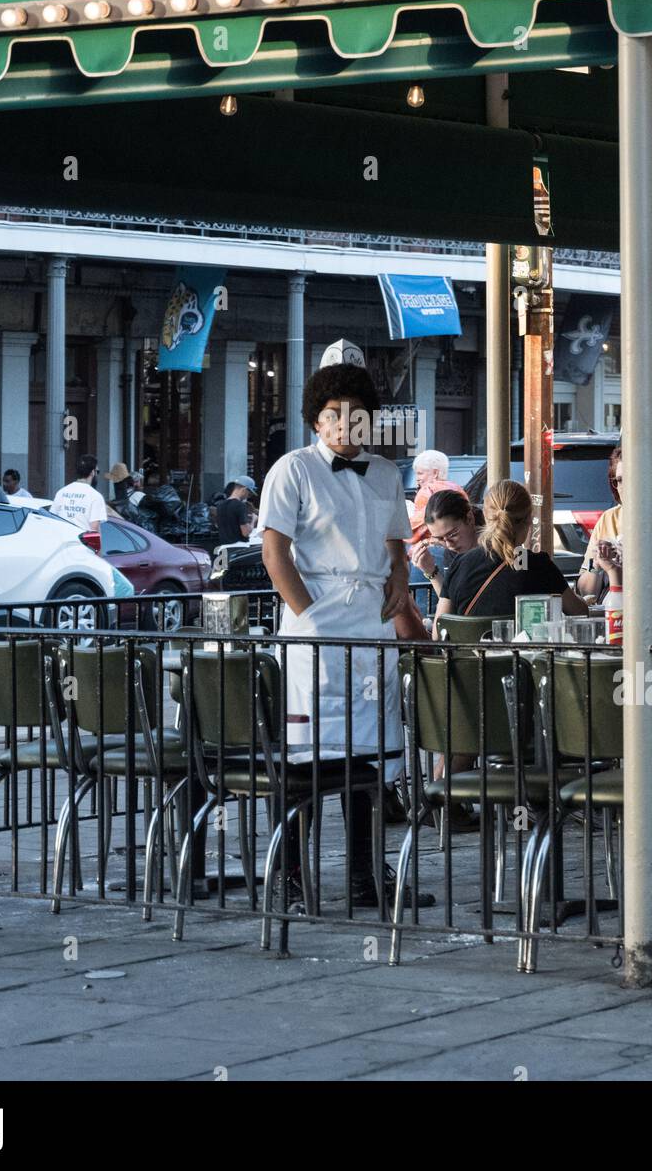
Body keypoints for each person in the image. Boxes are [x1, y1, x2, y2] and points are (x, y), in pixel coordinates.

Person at [258, 360, 431, 910]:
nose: (345, 424)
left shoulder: (384, 472)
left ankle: (364, 874)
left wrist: (400, 583)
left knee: (368, 759)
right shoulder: (293, 470)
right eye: (334, 414)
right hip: (315, 627)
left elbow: (396, 544)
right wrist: (306, 614)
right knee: (303, 761)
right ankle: (288, 875)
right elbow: (274, 552)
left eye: (356, 415)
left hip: (371, 628)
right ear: (316, 420)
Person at [434, 480, 587, 632]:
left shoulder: (460, 564)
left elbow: (438, 631)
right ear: (529, 520)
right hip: (524, 656)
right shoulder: (539, 565)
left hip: (468, 656)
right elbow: (580, 612)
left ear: (487, 518)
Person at [576, 446, 652, 600]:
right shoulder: (609, 518)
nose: (626, 487)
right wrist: (596, 564)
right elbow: (586, 593)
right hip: (614, 610)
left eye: (634, 479)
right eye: (620, 480)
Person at [410, 488, 480, 603]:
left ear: (469, 518)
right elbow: (450, 604)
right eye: (440, 539)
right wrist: (430, 571)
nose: (448, 544)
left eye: (452, 534)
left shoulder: (495, 546)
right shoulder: (452, 553)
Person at [409, 450, 466, 542]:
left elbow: (411, 531)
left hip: (436, 547)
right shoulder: (458, 489)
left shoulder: (427, 491)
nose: (417, 479)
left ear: (435, 473)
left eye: (420, 473)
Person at [50, 455, 106, 536]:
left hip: (62, 543)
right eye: (97, 471)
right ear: (92, 472)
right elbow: (94, 529)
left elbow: (52, 519)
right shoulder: (95, 496)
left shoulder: (61, 492)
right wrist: (98, 549)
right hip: (82, 545)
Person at [215, 477, 257, 545]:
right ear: (244, 489)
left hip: (224, 547)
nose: (248, 497)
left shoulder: (220, 505)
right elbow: (246, 533)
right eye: (249, 494)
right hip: (239, 547)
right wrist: (253, 520)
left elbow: (218, 525)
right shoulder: (240, 505)